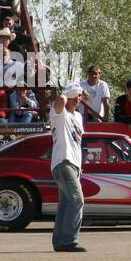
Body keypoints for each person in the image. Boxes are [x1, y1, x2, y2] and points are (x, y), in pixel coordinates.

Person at [49, 87, 86, 252]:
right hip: (63, 161)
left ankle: (59, 241)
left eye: (80, 96)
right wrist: (69, 91)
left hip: (72, 163)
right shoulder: (59, 113)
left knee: (65, 203)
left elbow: (77, 144)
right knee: (77, 199)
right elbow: (60, 101)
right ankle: (69, 240)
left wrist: (79, 166)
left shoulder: (78, 116)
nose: (79, 98)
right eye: (77, 96)